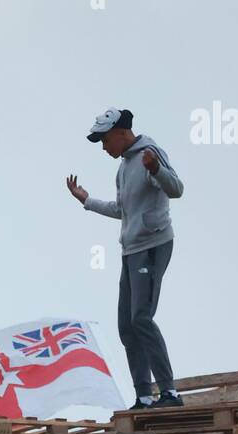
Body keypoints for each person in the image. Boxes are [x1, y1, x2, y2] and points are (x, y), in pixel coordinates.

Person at [67, 107, 184, 411]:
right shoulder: (122, 168)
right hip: (131, 251)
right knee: (127, 326)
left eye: (105, 140)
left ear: (120, 133)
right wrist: (87, 201)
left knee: (141, 318)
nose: (104, 147)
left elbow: (176, 189)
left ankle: (170, 393)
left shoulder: (149, 152)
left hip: (153, 245)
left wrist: (157, 169)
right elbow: (123, 210)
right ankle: (144, 396)